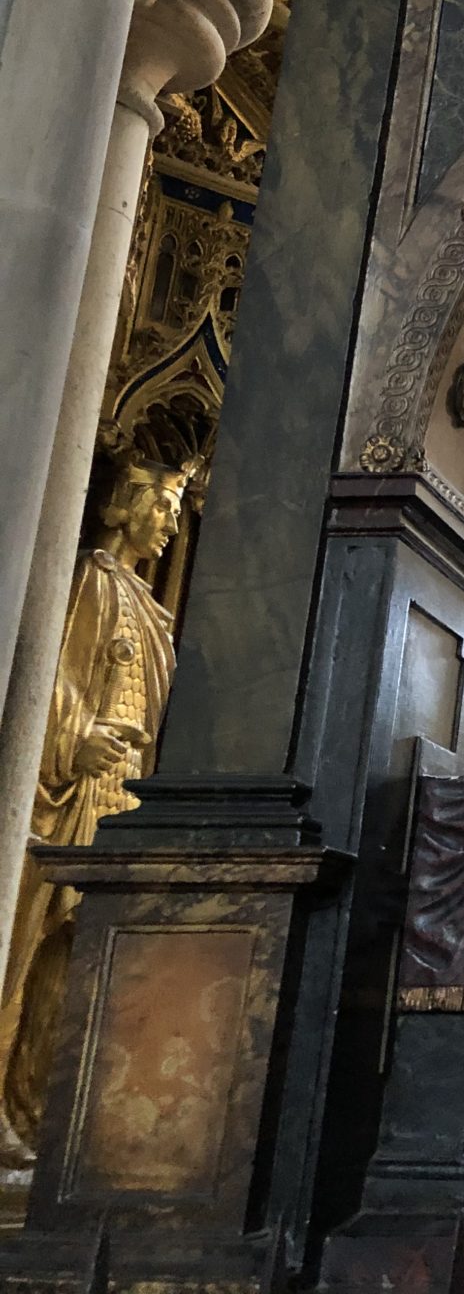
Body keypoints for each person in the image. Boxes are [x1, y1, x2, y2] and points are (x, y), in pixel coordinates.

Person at [0, 459, 187, 1171]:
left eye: (175, 510)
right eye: (161, 506)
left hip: (118, 791)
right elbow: (55, 674)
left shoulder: (142, 597)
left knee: (79, 941)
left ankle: (39, 1103)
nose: (169, 523)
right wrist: (79, 738)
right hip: (71, 787)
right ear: (122, 505)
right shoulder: (94, 581)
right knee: (32, 932)